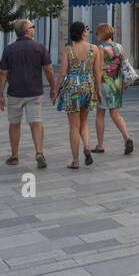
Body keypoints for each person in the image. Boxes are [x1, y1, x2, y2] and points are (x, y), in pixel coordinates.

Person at [0, 19, 56, 169]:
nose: (34, 29)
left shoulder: (9, 49)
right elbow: (48, 70)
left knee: (14, 124)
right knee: (36, 123)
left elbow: (3, 73)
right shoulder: (40, 48)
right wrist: (54, 87)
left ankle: (15, 155)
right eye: (32, 27)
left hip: (15, 92)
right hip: (35, 91)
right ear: (27, 30)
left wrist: (0, 94)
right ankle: (39, 152)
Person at [54, 21, 102, 170]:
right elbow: (97, 71)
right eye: (86, 28)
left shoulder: (68, 50)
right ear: (82, 32)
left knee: (73, 126)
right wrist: (98, 90)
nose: (88, 30)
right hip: (88, 85)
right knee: (84, 122)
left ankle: (75, 161)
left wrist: (55, 90)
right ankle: (87, 146)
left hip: (72, 88)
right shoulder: (94, 49)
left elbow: (62, 72)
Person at [93, 23, 134, 156]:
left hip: (104, 83)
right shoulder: (119, 47)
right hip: (117, 83)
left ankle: (100, 145)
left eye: (97, 32)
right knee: (115, 114)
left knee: (100, 114)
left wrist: (96, 89)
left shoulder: (100, 49)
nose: (96, 35)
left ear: (103, 33)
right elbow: (123, 66)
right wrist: (124, 83)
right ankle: (127, 137)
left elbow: (99, 70)